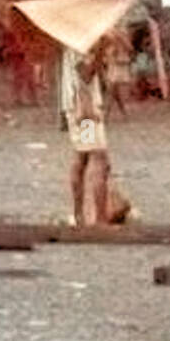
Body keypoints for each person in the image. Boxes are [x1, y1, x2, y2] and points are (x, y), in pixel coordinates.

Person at [63, 43, 115, 225]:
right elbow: (85, 75)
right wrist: (100, 52)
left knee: (83, 157)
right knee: (98, 159)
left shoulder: (74, 39)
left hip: (81, 107)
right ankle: (99, 218)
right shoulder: (80, 44)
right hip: (85, 110)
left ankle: (79, 215)